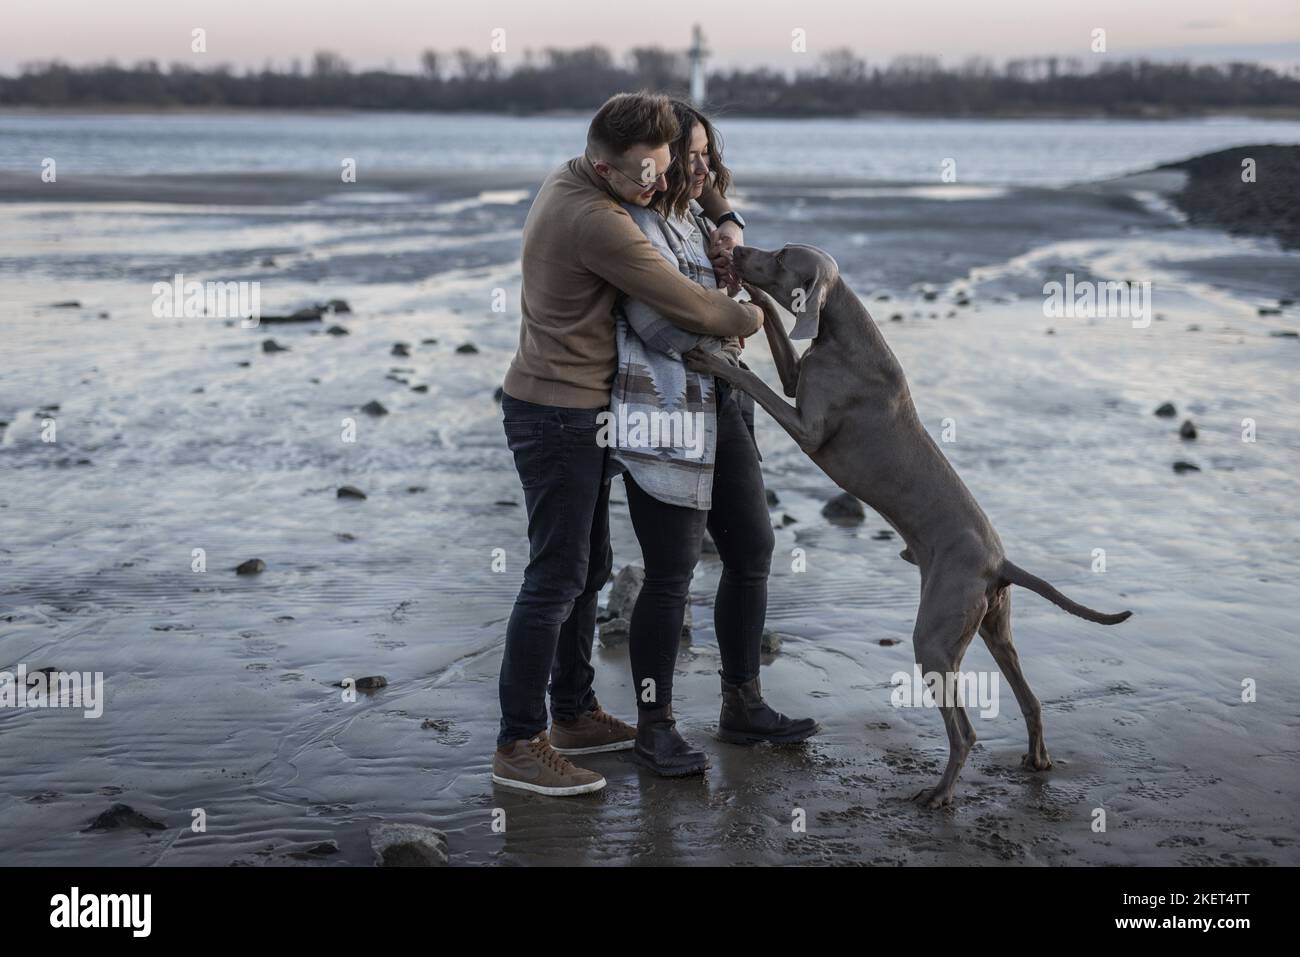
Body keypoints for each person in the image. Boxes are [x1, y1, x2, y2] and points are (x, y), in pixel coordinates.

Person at [493, 92, 764, 796]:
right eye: (643, 175)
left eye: (662, 169)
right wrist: (749, 314)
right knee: (555, 575)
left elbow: (689, 184)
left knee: (588, 569)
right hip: (558, 412)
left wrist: (722, 215)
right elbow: (690, 307)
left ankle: (575, 711)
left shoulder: (577, 173)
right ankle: (519, 742)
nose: (656, 185)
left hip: (572, 407)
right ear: (604, 165)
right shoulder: (599, 221)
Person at [607, 100, 819, 778]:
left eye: (706, 153)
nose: (701, 166)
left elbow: (730, 307)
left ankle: (743, 702)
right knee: (669, 572)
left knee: (753, 546)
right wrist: (743, 316)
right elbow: (660, 327)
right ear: (656, 156)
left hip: (726, 397)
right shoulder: (631, 225)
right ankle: (656, 726)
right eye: (687, 154)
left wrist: (732, 296)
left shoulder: (696, 216)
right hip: (663, 411)